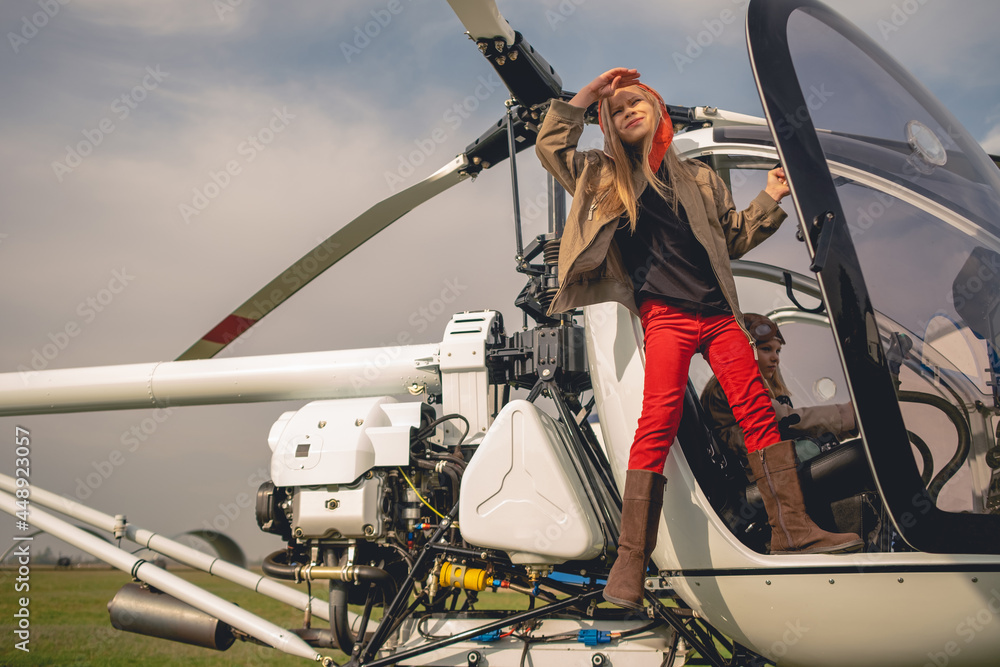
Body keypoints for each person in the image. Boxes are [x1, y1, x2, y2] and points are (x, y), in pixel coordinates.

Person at [535, 68, 861, 609]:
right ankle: (631, 561)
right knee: (657, 419)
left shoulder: (702, 178)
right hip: (665, 315)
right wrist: (589, 95)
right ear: (607, 125)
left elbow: (731, 237)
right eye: (616, 111)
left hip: (718, 314)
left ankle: (793, 531)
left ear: (658, 110)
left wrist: (771, 196)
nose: (628, 112)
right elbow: (552, 147)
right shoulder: (602, 174)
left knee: (757, 410)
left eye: (637, 103)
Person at [701, 313, 858, 482]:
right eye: (766, 349)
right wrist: (848, 414)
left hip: (760, 463)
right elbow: (788, 419)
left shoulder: (751, 384)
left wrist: (847, 428)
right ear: (745, 350)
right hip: (753, 471)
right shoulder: (733, 384)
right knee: (857, 455)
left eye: (778, 351)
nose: (775, 357)